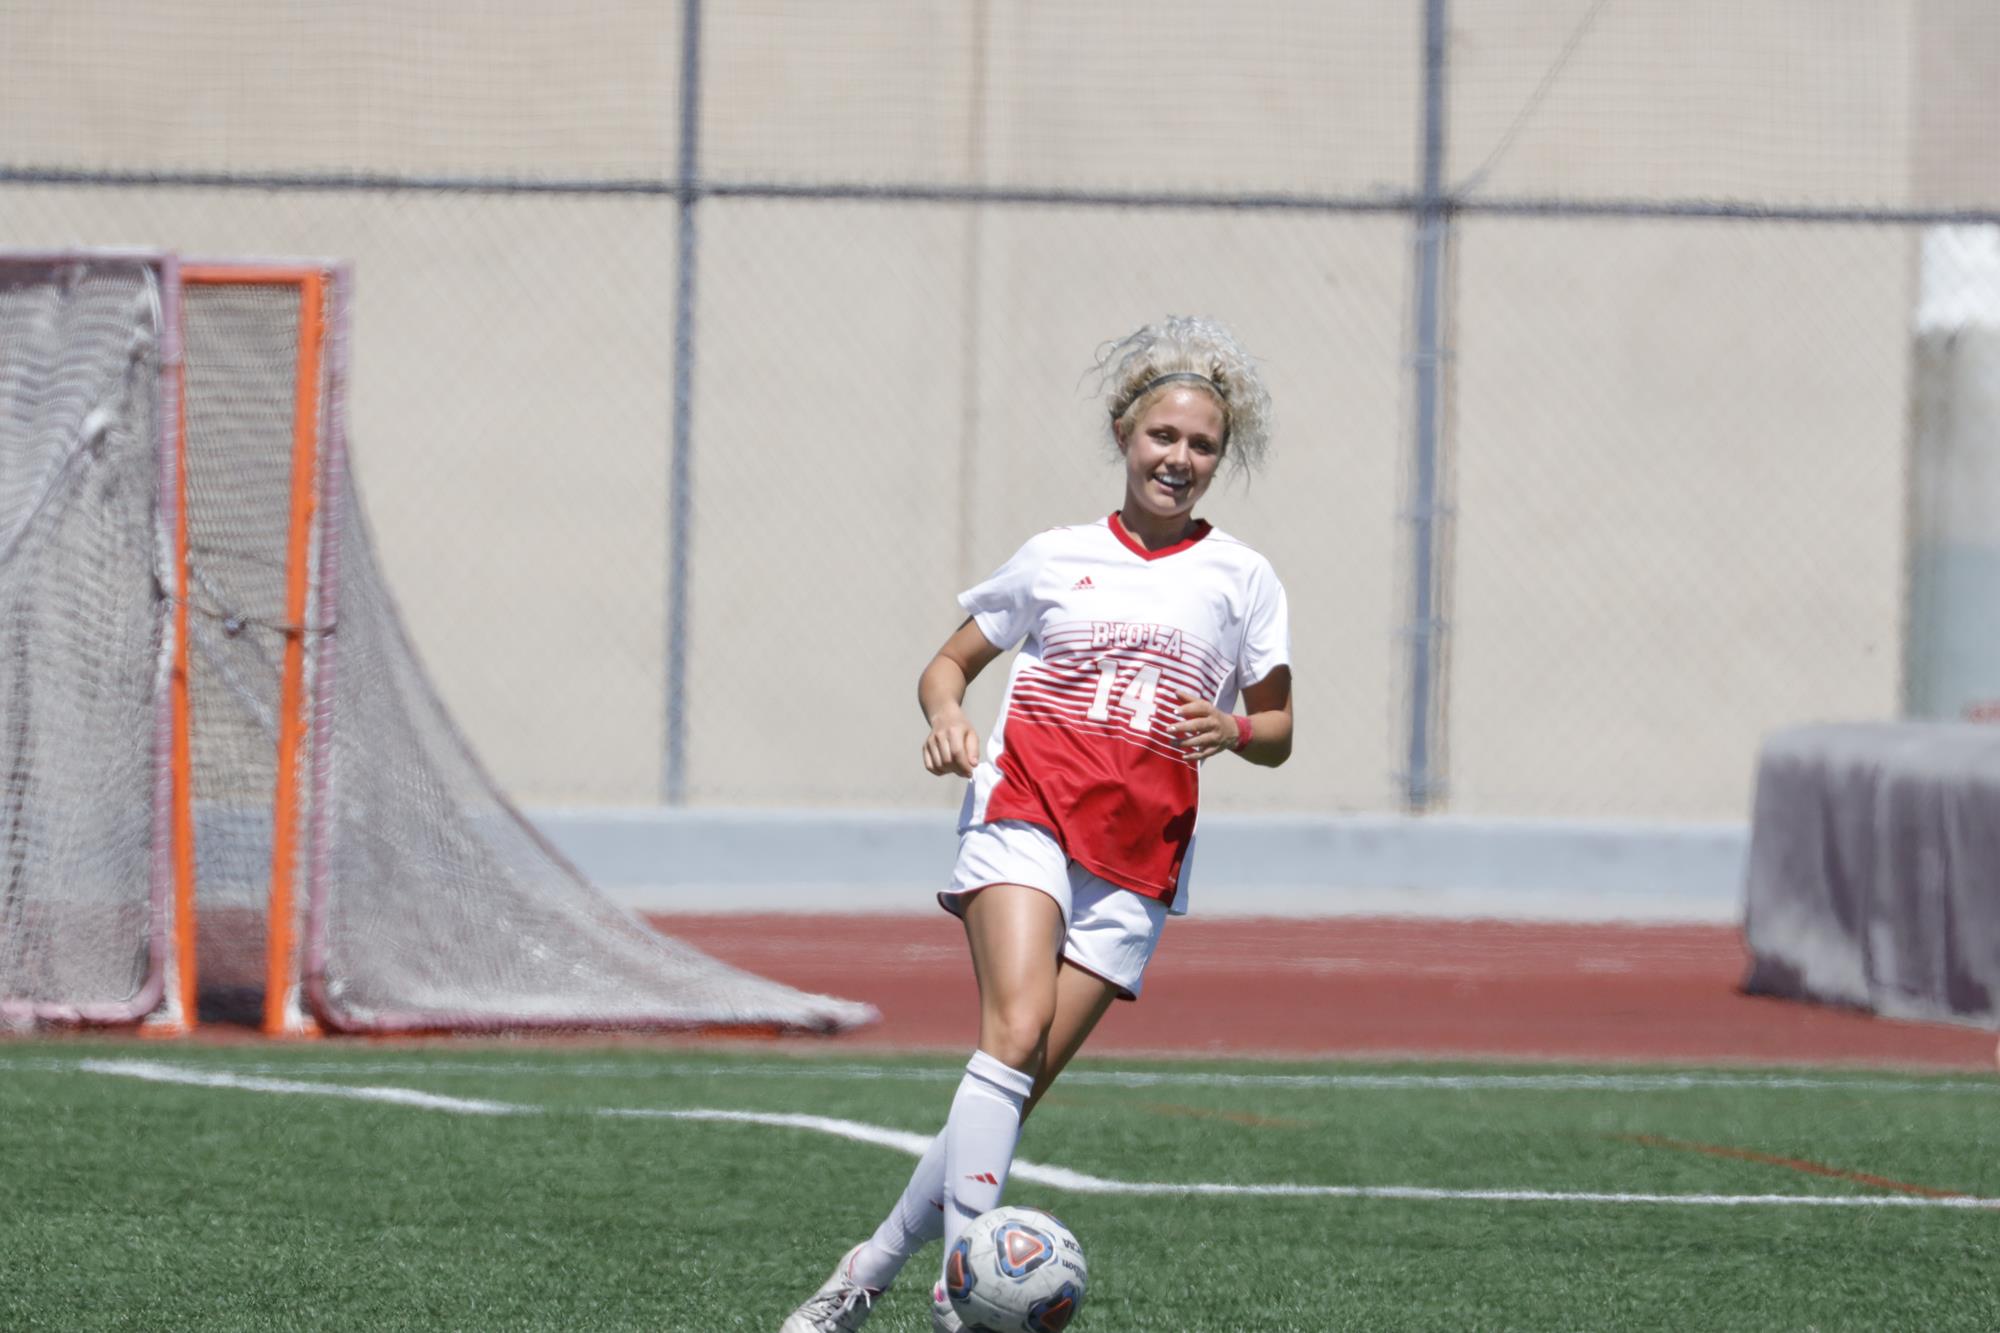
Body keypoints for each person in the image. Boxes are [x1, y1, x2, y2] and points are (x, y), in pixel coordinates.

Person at [780, 315, 1294, 1333]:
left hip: (1139, 857)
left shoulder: (1244, 578)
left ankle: (864, 1271)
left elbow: (1277, 730)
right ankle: (961, 1291)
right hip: (1026, 808)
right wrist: (946, 717)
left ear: (1217, 459)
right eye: (1162, 436)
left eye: (1201, 445)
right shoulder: (1056, 556)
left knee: (1008, 1084)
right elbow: (947, 664)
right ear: (1123, 434)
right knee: (1010, 1033)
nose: (1179, 458)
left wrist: (1234, 728)